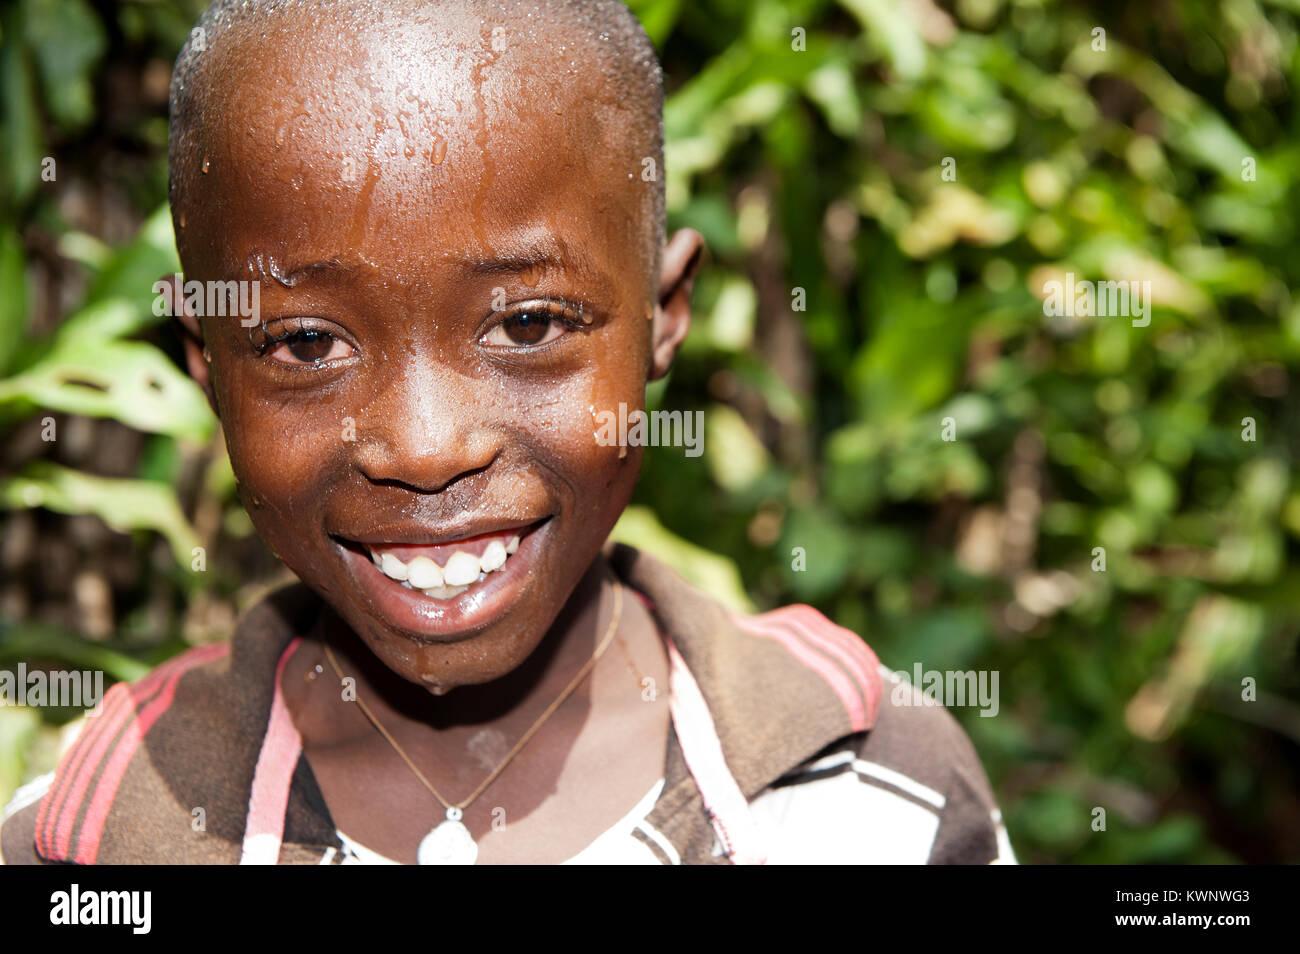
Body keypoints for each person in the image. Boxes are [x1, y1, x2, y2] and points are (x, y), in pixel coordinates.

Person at [0, 0, 1014, 865]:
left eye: (528, 325)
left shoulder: (865, 797)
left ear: (663, 319)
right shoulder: (97, 838)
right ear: (205, 359)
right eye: (307, 344)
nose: (427, 447)